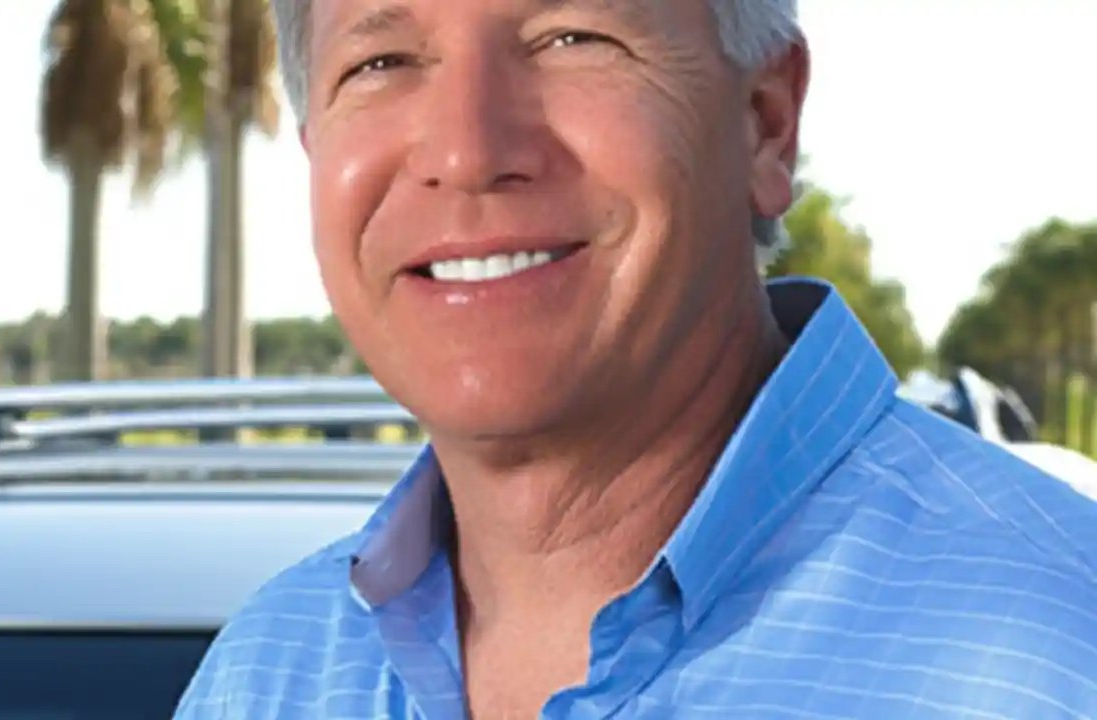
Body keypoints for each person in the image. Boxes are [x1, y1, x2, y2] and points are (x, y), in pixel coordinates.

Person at [175, 0, 1097, 717]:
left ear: (766, 123)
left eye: (573, 36)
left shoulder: (1061, 652)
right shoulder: (267, 673)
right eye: (380, 62)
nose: (466, 151)